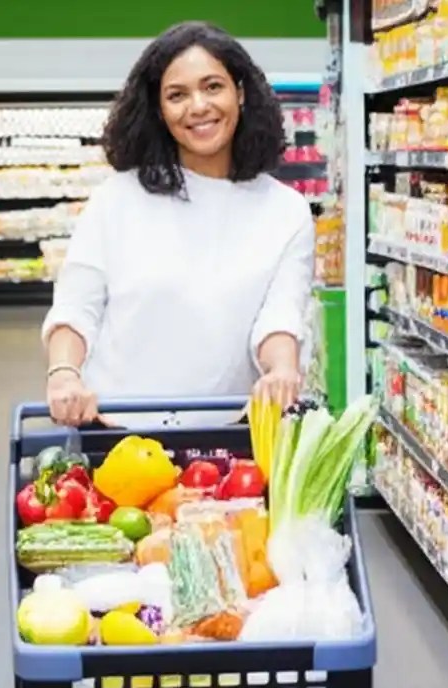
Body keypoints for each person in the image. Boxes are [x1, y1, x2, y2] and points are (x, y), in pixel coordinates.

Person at [42, 21, 315, 428]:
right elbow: (76, 306)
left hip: (230, 431)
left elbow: (279, 316)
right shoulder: (116, 199)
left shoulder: (285, 211)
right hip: (116, 429)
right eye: (177, 95)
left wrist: (282, 370)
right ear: (158, 109)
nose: (198, 106)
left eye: (213, 87)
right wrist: (64, 373)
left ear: (240, 93)